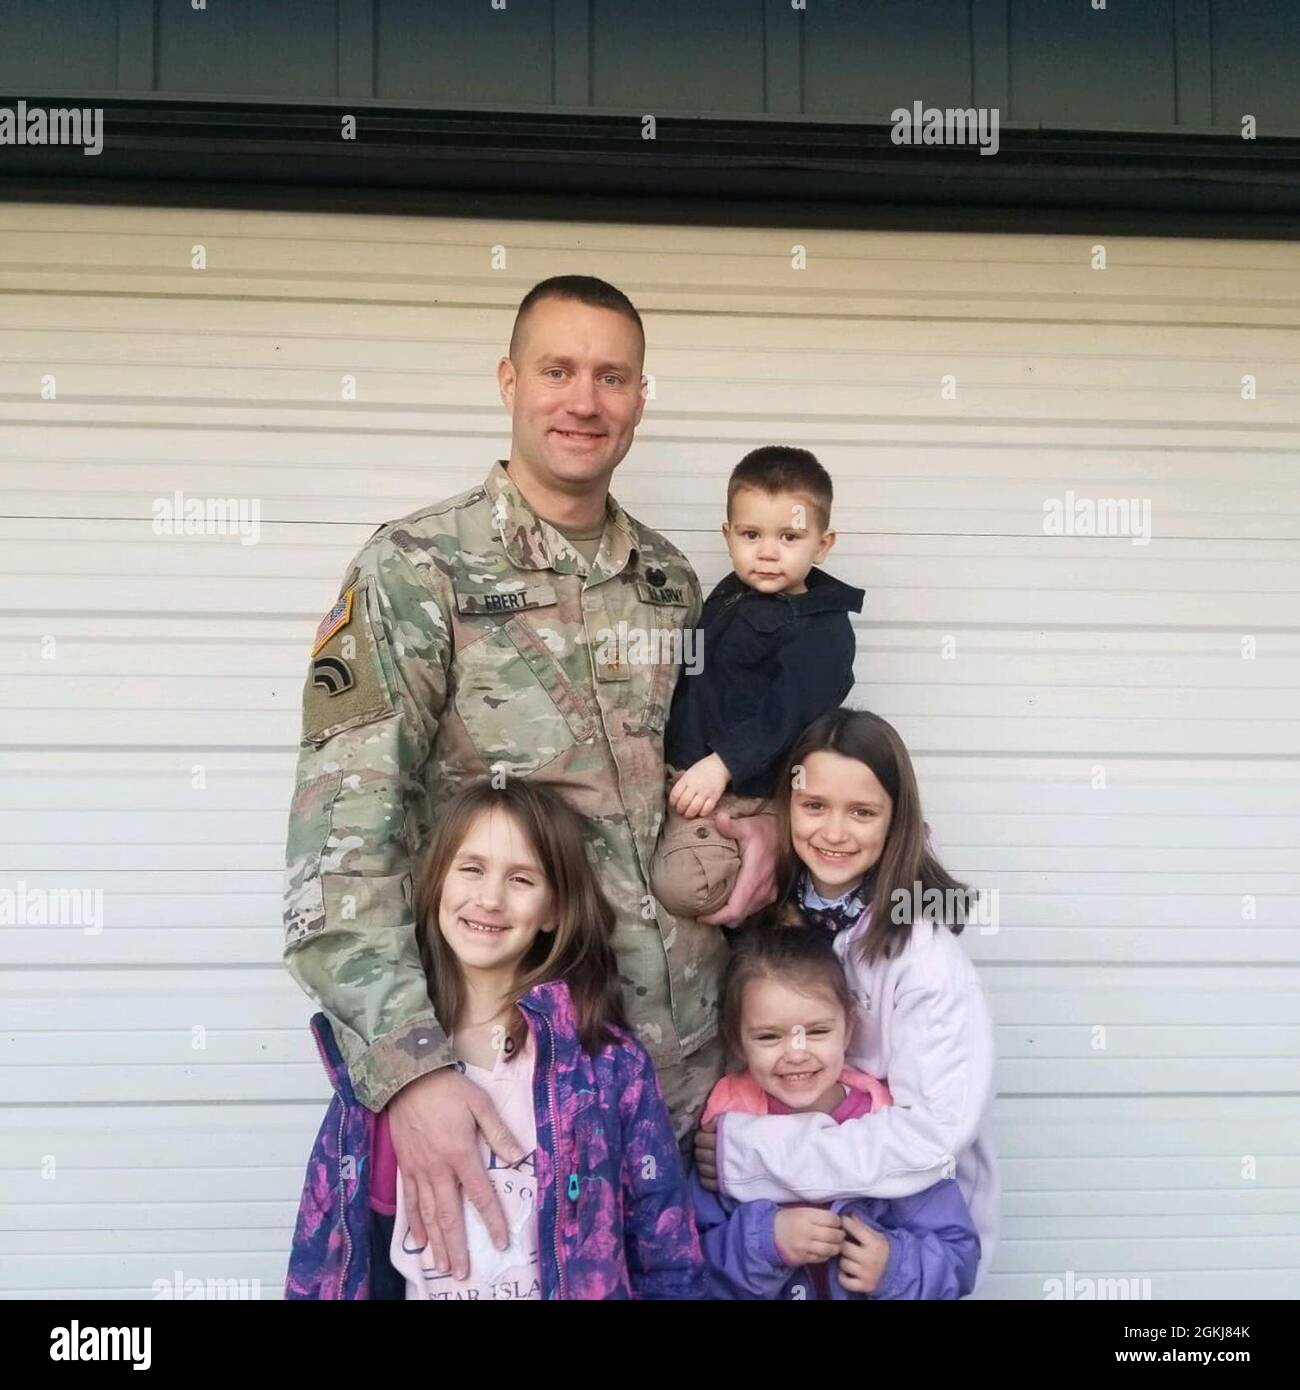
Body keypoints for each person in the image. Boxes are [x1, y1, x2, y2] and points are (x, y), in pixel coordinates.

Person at [282, 274, 778, 1284]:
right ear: (508, 380)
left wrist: (758, 824)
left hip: (688, 1084)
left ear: (641, 396)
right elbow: (340, 852)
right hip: (515, 1100)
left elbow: (712, 764)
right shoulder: (415, 570)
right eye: (556, 370)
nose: (582, 400)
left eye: (610, 376)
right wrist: (411, 1075)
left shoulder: (672, 582)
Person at [286, 779, 703, 1300]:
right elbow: (326, 1254)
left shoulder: (607, 1066)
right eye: (472, 868)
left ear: (554, 911)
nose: (489, 898)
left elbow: (668, 1258)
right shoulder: (379, 1066)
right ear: (436, 884)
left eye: (522, 879)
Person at [694, 708, 1000, 1289]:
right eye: (814, 807)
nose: (834, 833)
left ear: (895, 821)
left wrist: (750, 1155)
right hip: (781, 1253)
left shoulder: (927, 962)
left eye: (862, 812)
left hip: (900, 1238)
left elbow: (929, 1139)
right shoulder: (768, 912)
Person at [691, 927, 979, 1299]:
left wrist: (893, 1267)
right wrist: (765, 1242)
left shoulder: (887, 1126)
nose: (796, 1053)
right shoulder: (724, 1133)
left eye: (817, 1031)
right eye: (768, 1037)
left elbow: (959, 1254)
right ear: (736, 1040)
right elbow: (689, 1264)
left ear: (848, 1030)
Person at [651, 446, 863, 917]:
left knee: (681, 887)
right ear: (728, 536)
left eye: (789, 536)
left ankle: (773, 903)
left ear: (822, 544)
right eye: (751, 534)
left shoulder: (823, 630)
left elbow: (788, 716)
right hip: (689, 773)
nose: (767, 552)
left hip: (746, 790)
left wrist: (723, 764)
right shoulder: (732, 592)